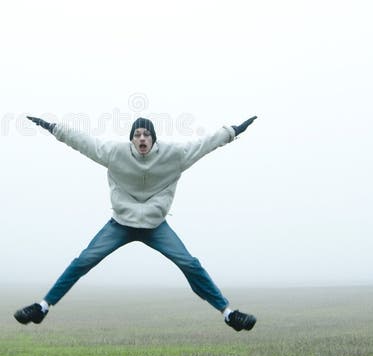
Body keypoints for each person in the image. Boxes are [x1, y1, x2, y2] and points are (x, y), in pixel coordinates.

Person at [14, 113, 258, 332]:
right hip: (121, 223)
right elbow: (83, 142)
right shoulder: (114, 153)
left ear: (153, 139)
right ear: (131, 139)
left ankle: (228, 314)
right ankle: (42, 307)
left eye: (147, 134)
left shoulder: (175, 156)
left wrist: (232, 131)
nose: (142, 138)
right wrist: (53, 127)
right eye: (137, 134)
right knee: (83, 261)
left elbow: (205, 145)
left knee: (190, 264)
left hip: (155, 225)